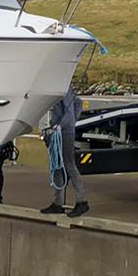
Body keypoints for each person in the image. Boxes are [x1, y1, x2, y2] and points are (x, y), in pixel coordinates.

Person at [41, 85, 88, 217]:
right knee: (57, 166)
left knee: (69, 165)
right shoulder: (64, 88)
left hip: (64, 133)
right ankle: (58, 202)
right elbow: (78, 102)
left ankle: (82, 200)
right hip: (62, 130)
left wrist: (61, 125)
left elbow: (68, 112)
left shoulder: (63, 88)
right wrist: (72, 120)